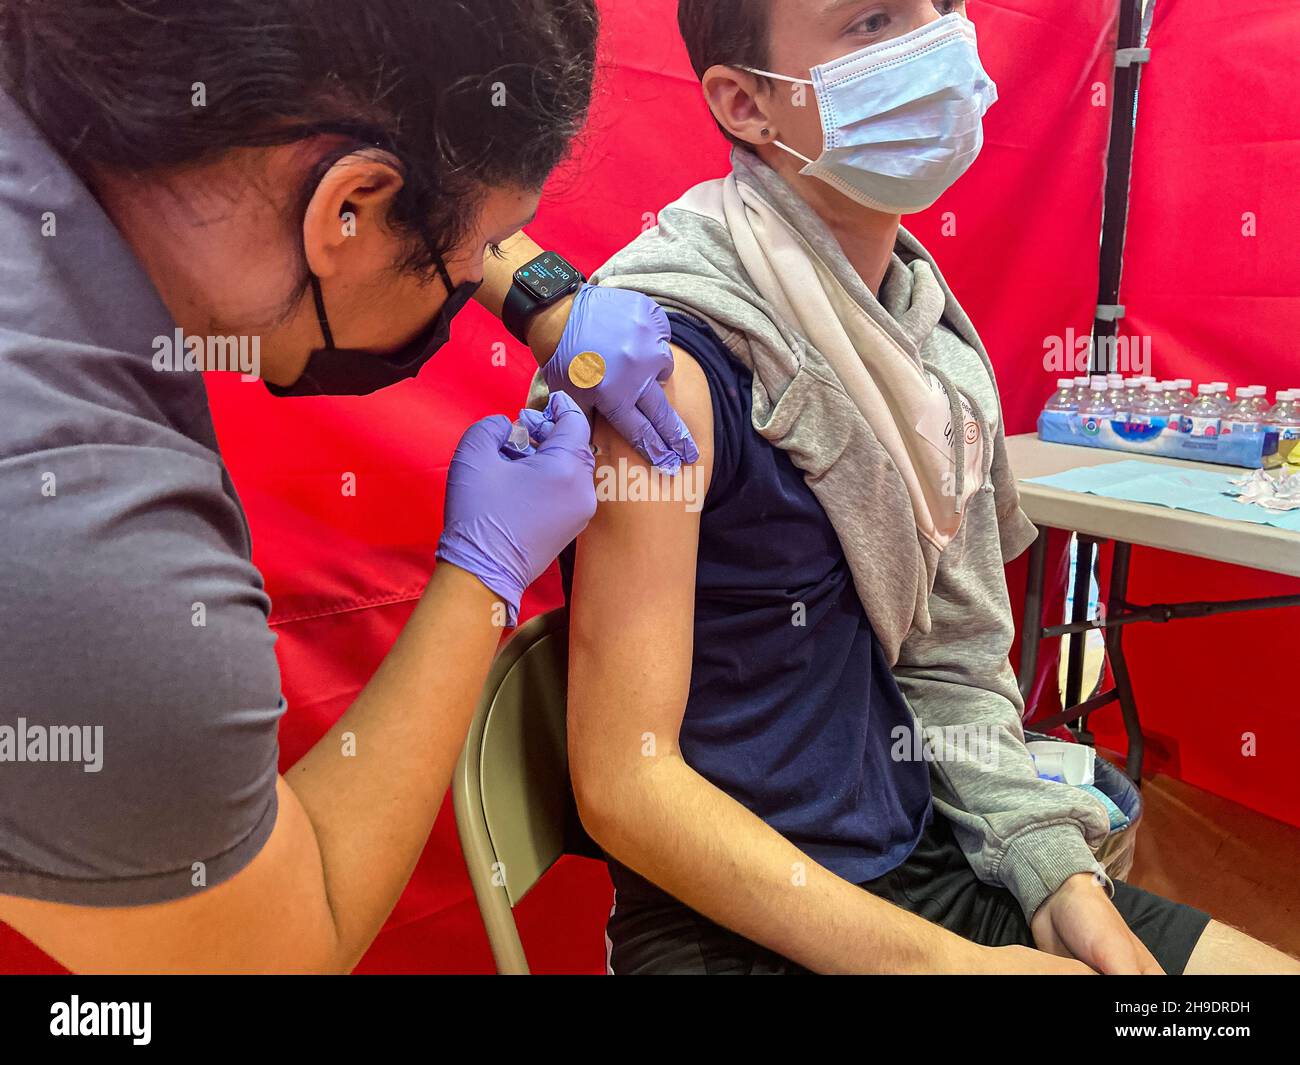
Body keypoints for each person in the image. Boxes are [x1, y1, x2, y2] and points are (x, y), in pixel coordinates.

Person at [561, 0, 1300, 974]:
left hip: (925, 852)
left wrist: (1055, 875)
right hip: (734, 920)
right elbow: (626, 783)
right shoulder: (665, 369)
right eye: (871, 23)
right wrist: (946, 969)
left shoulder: (926, 339)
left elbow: (953, 664)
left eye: (938, 10)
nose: (934, 45)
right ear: (747, 102)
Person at [0, 0, 697, 973]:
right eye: (471, 261)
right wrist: (481, 571)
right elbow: (275, 954)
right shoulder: (84, 555)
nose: (477, 286)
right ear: (349, 207)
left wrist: (538, 290)